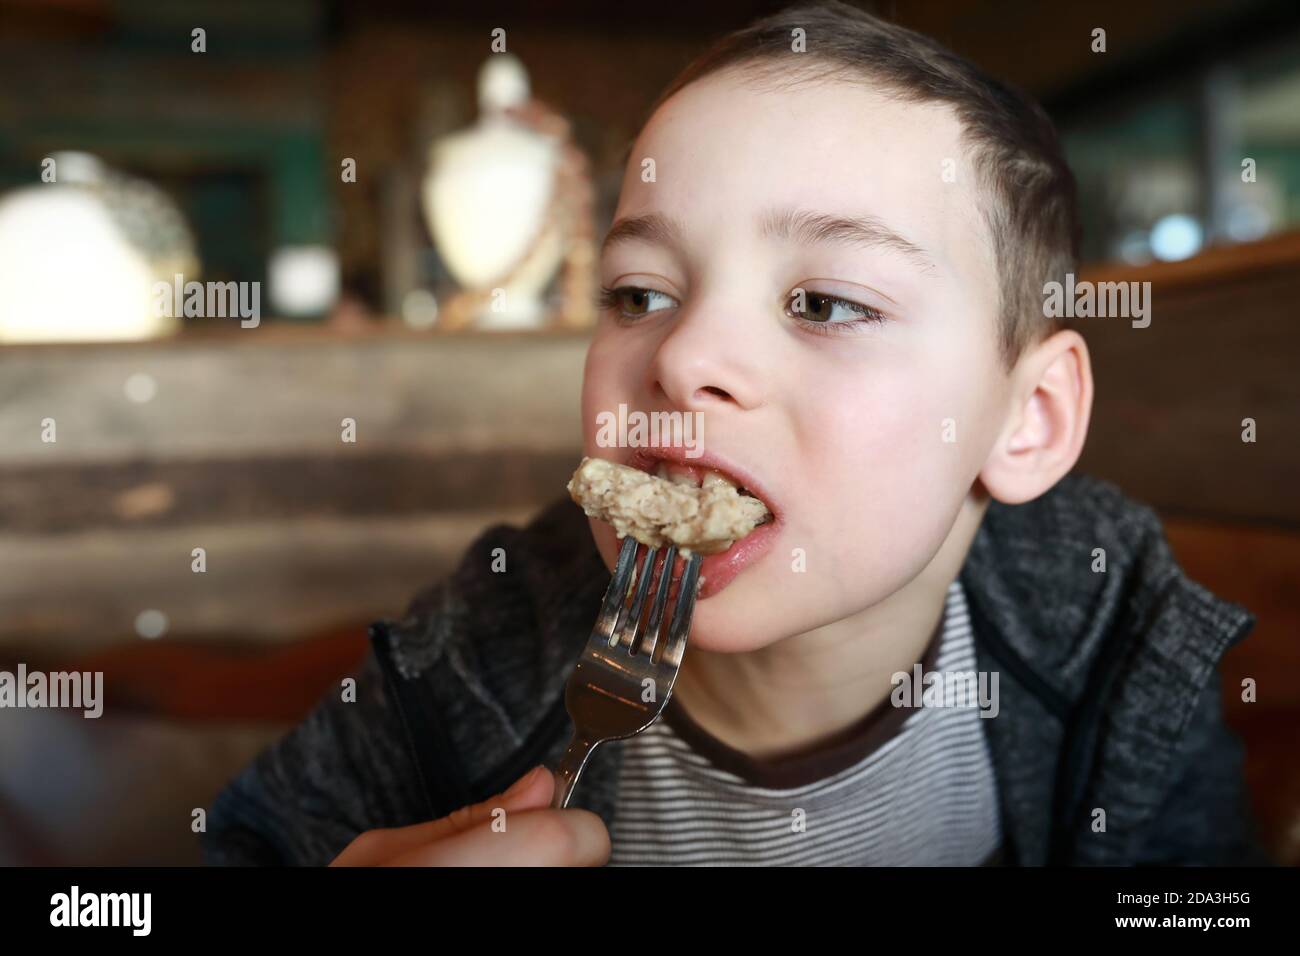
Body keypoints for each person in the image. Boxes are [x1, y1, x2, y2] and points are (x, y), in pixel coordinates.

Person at [202, 1, 1271, 867]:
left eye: (825, 303)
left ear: (1026, 421)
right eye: (637, 292)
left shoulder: (1114, 634)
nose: (682, 355)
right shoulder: (485, 646)